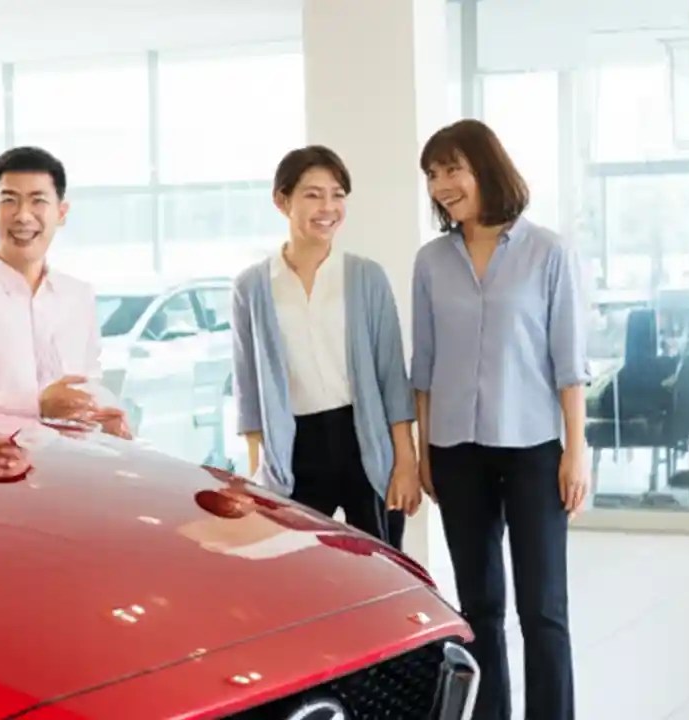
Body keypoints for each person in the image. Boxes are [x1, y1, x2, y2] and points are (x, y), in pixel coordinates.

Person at [411, 119, 589, 720]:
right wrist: (426, 453)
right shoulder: (431, 261)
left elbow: (569, 361)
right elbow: (425, 366)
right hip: (457, 449)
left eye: (451, 169)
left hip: (534, 445)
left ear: (486, 167)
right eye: (433, 175)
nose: (441, 185)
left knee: (542, 609)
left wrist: (576, 449)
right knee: (478, 606)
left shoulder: (548, 251)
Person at [231, 145, 421, 550]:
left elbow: (391, 376)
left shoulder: (366, 277)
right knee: (298, 569)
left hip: (363, 438)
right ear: (282, 201)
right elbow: (249, 389)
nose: (328, 207)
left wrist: (405, 462)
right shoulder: (252, 287)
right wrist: (256, 473)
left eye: (337, 194)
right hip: (295, 446)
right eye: (313, 194)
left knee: (379, 568)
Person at [0, 146, 129, 438]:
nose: (23, 216)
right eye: (9, 200)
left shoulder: (78, 294)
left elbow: (87, 382)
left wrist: (109, 415)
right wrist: (36, 404)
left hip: (77, 464)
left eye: (38, 201)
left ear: (61, 212)